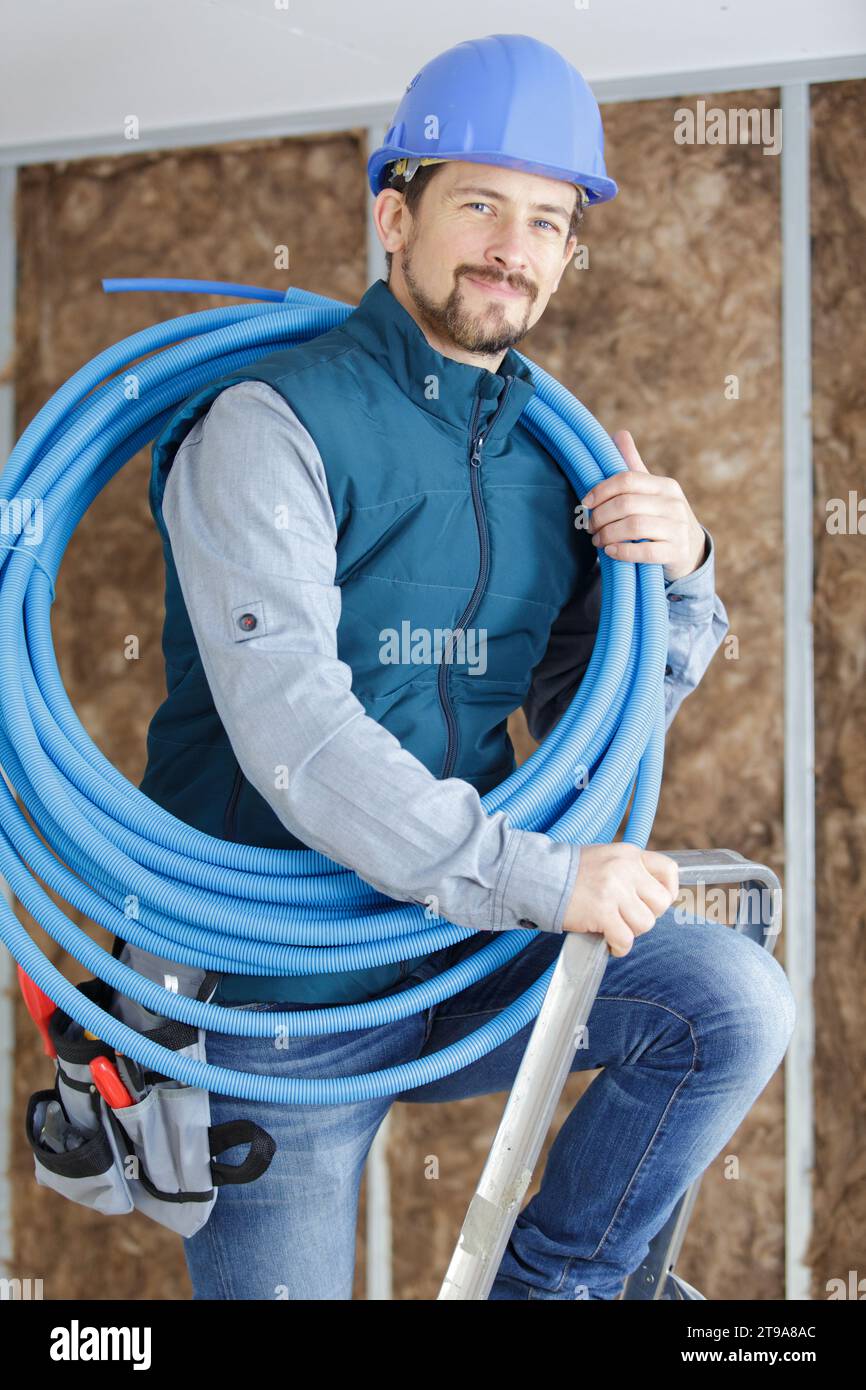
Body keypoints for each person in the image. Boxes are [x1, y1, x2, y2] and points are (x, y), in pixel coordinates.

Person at [139, 34, 796, 1299]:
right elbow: (298, 735)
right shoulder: (270, 425)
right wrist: (539, 877)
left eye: (546, 220)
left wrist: (684, 573)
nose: (513, 247)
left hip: (456, 946)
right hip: (276, 994)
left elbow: (593, 727)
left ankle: (548, 1291)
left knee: (728, 1000)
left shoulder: (553, 459)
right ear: (395, 216)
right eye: (480, 205)